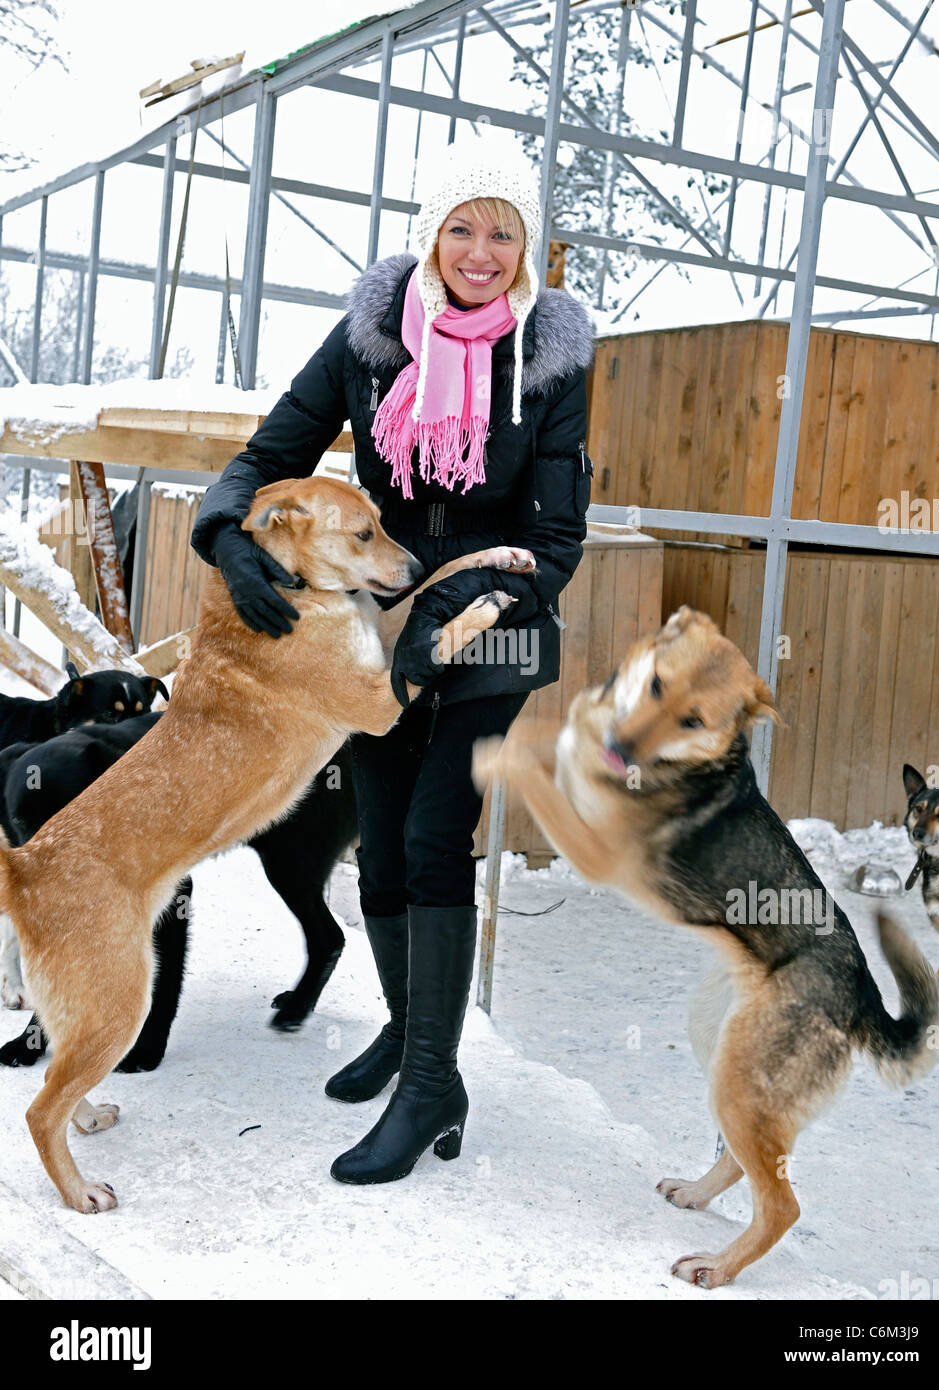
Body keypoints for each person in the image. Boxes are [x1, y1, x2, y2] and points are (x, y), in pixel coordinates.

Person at [190, 136, 594, 1185]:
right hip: (377, 632)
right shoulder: (372, 338)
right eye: (462, 226)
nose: (482, 249)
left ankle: (427, 1084)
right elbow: (270, 450)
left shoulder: (551, 356)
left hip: (492, 626)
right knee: (374, 843)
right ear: (430, 235)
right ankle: (417, 1038)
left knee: (429, 834)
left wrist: (455, 602)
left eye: (503, 229)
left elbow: (553, 543)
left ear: (527, 242)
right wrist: (229, 533)